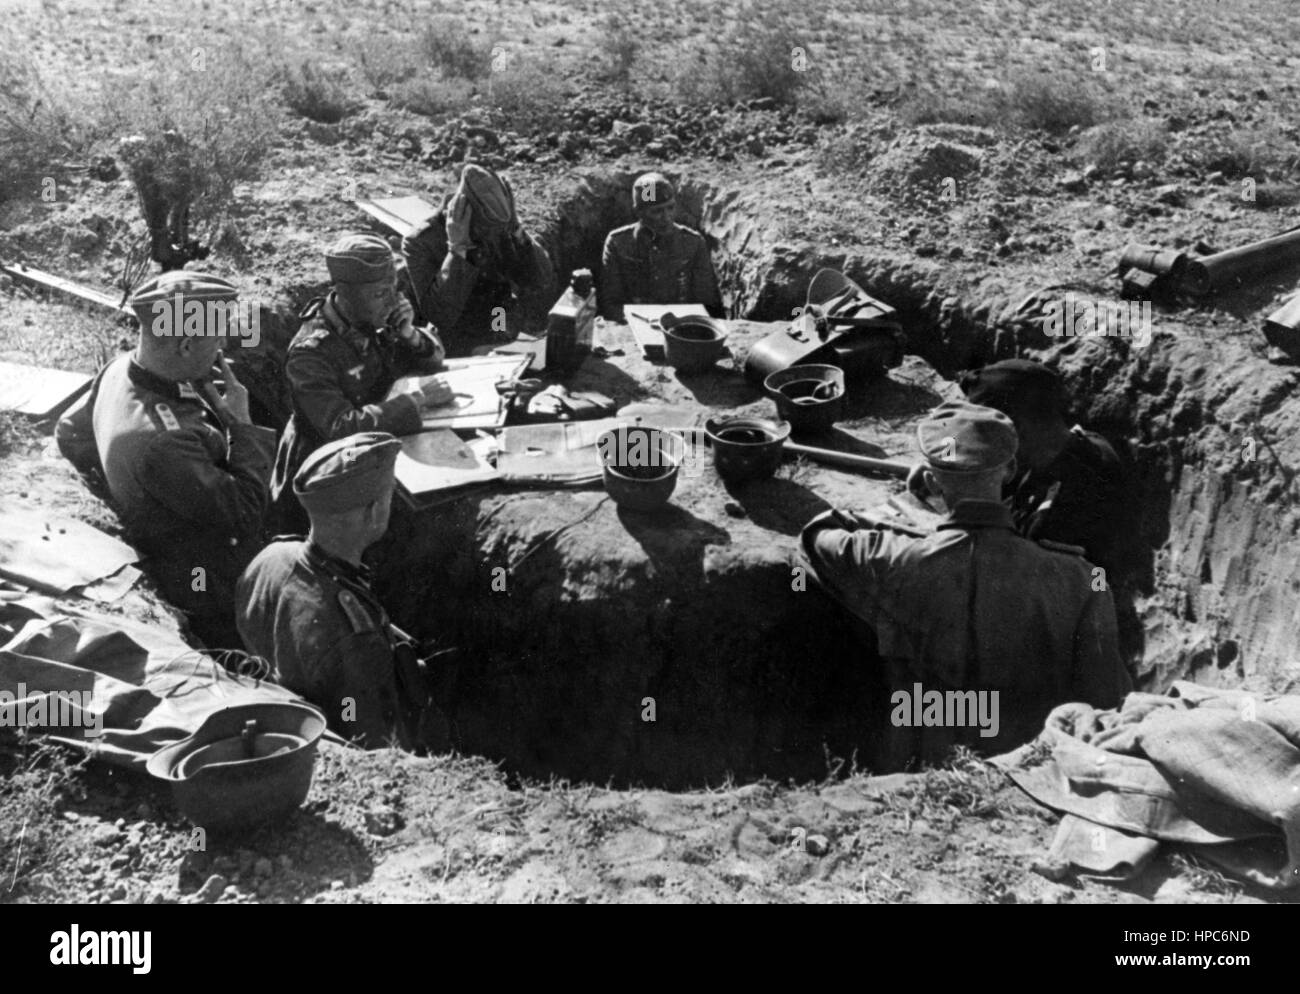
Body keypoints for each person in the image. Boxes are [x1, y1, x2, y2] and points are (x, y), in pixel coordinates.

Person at [801, 400, 1130, 768]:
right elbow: (1106, 702)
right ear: (1010, 470)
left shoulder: (892, 557)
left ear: (928, 481)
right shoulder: (1080, 579)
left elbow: (815, 536)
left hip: (925, 759)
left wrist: (916, 517)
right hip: (1030, 764)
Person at [56, 271, 276, 649]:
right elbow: (248, 511)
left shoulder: (120, 369)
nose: (224, 342)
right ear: (187, 345)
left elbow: (69, 432)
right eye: (217, 335)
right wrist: (242, 428)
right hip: (203, 584)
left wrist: (126, 488)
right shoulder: (166, 443)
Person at [237, 433, 434, 749]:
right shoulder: (358, 643)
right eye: (389, 497)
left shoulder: (268, 560)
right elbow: (376, 745)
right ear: (372, 513)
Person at [271, 233, 451, 532]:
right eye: (380, 294)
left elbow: (435, 362)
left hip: (378, 453)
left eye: (394, 289)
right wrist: (415, 402)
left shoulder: (378, 319)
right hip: (324, 482)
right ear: (344, 292)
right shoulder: (310, 353)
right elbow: (340, 428)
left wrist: (410, 335)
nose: (392, 301)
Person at [401, 163, 556, 348]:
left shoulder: (498, 226)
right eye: (485, 230)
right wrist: (457, 250)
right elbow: (440, 315)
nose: (492, 236)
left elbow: (541, 279)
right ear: (466, 212)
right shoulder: (422, 241)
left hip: (497, 319)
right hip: (454, 341)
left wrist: (516, 229)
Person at [598, 172, 723, 323]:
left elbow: (706, 302)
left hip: (682, 328)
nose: (666, 217)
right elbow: (611, 303)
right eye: (657, 211)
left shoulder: (693, 243)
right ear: (639, 212)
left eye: (670, 208)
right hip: (634, 325)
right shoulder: (618, 243)